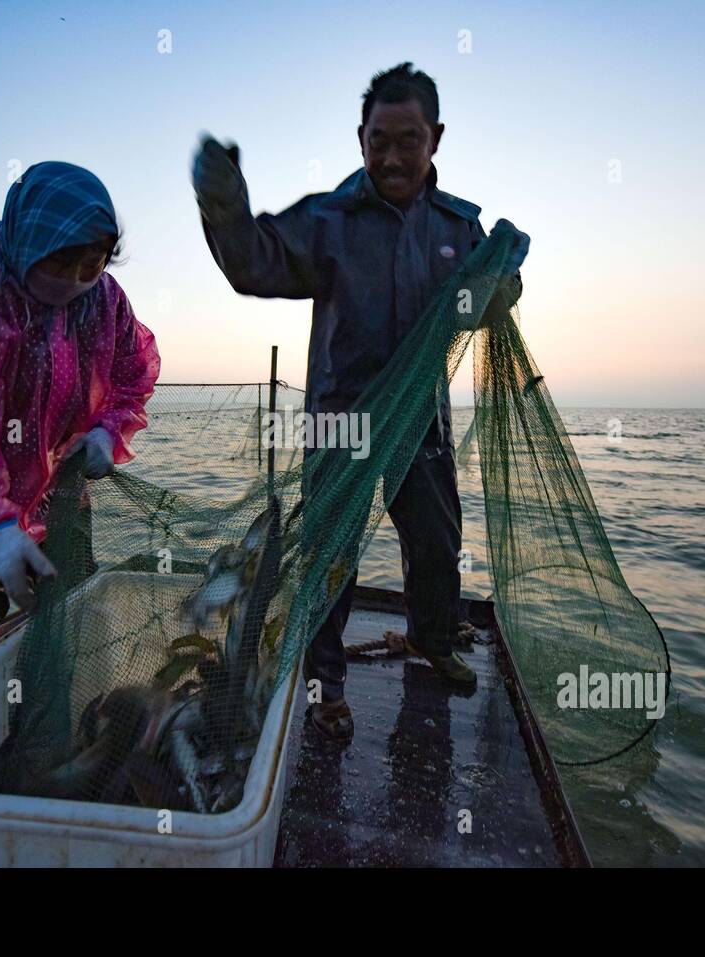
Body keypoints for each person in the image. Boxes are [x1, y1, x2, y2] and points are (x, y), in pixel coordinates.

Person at [192, 62, 529, 741]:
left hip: (420, 418)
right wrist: (224, 207)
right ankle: (325, 682)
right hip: (341, 419)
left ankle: (434, 639)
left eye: (409, 139)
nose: (393, 155)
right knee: (331, 554)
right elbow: (254, 264)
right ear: (360, 139)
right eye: (379, 140)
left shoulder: (459, 228)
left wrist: (504, 286)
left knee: (437, 543)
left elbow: (480, 306)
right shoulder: (329, 219)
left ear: (436, 138)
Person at [0, 161, 161, 684]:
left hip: (55, 474)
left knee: (71, 593)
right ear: (28, 246)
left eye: (94, 263)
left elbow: (134, 369)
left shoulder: (103, 297)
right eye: (62, 264)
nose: (79, 280)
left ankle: (69, 691)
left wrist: (110, 427)